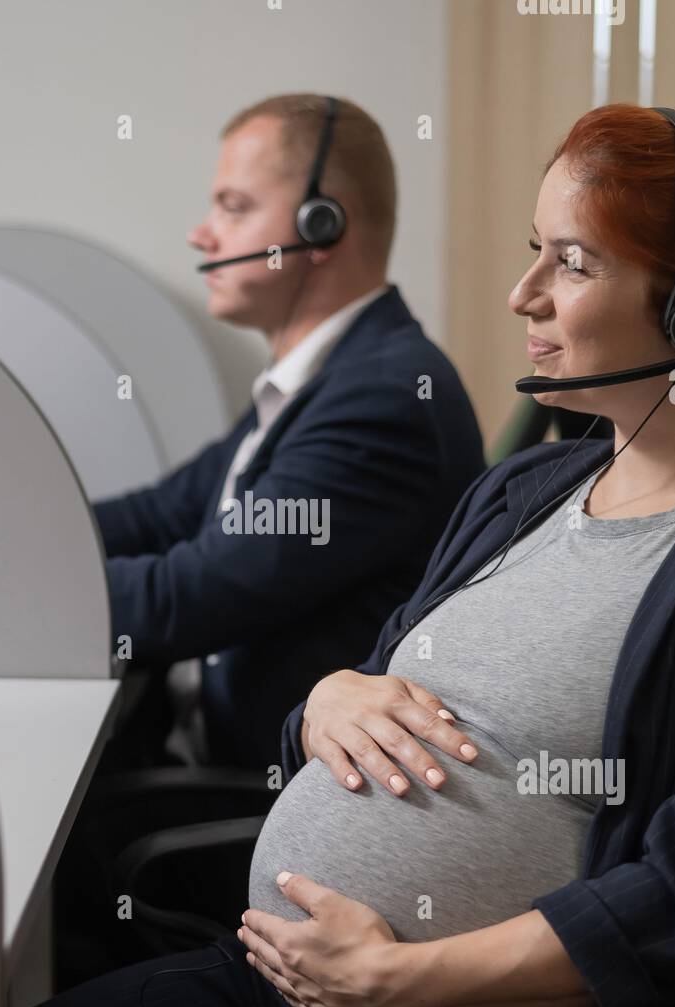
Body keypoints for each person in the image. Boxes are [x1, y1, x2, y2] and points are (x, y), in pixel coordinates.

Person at [13, 103, 675, 1007]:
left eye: (571, 262)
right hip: (271, 986)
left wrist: (396, 980)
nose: (523, 293)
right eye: (538, 249)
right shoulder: (524, 490)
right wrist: (328, 698)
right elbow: (356, 713)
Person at [93, 93, 485, 772]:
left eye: (234, 207)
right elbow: (160, 515)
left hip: (248, 792)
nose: (202, 234)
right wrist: (21, 541)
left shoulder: (383, 400)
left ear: (321, 225)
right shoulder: (324, 378)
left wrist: (12, 589)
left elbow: (192, 595)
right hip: (205, 748)